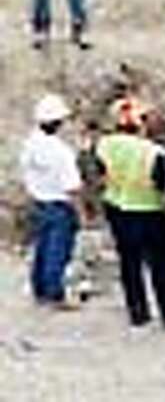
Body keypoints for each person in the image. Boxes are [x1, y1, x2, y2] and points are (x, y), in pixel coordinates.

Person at [94, 97, 165, 329]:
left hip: (117, 207)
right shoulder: (153, 151)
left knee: (130, 264)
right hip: (150, 211)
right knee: (164, 265)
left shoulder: (104, 144)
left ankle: (138, 312)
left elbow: (99, 172)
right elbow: (162, 183)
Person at [19, 94, 82, 306]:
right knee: (58, 250)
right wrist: (80, 212)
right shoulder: (61, 152)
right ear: (59, 122)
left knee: (42, 248)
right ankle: (55, 292)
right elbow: (72, 187)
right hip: (59, 204)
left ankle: (40, 288)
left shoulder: (29, 144)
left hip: (38, 202)